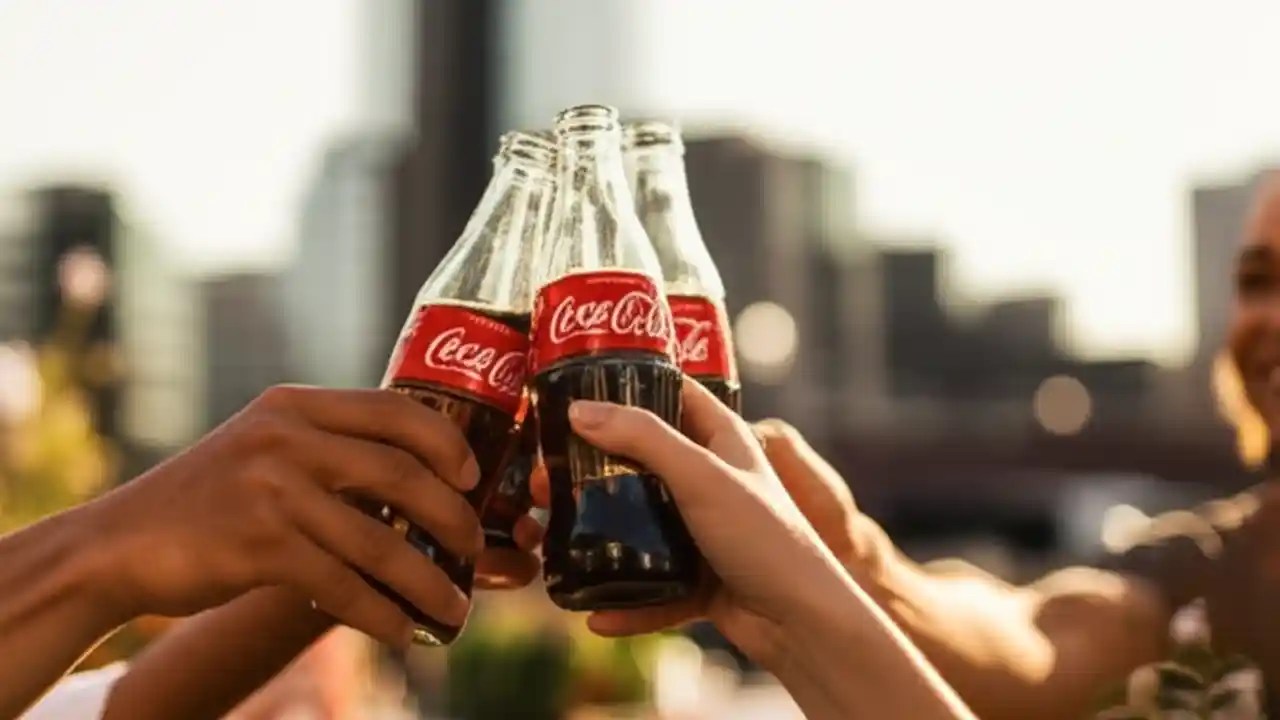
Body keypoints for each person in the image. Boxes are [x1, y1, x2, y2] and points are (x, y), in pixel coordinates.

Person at [707, 174, 1280, 720]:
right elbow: (1041, 638)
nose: (1272, 317)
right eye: (1257, 281)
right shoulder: (1203, 575)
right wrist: (854, 561)